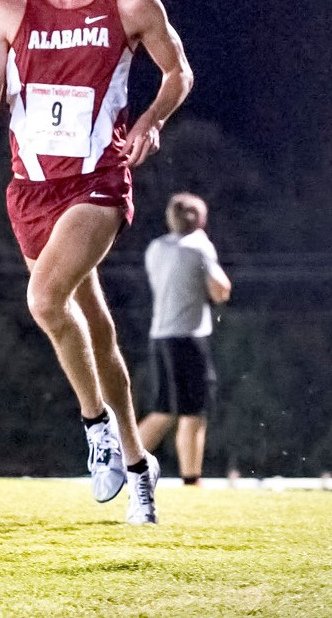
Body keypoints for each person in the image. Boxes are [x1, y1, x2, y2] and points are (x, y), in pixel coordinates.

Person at [0, 0, 194, 524]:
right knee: (95, 327)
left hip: (97, 180)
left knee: (43, 300)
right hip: (31, 189)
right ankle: (139, 466)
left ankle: (96, 428)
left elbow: (178, 71)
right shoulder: (6, 10)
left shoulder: (130, 4)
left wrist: (150, 120)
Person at [138, 193, 231, 487]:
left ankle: (120, 464)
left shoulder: (155, 248)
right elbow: (220, 291)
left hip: (159, 335)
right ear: (200, 220)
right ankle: (191, 479)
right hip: (189, 338)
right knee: (193, 412)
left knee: (163, 410)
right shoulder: (199, 247)